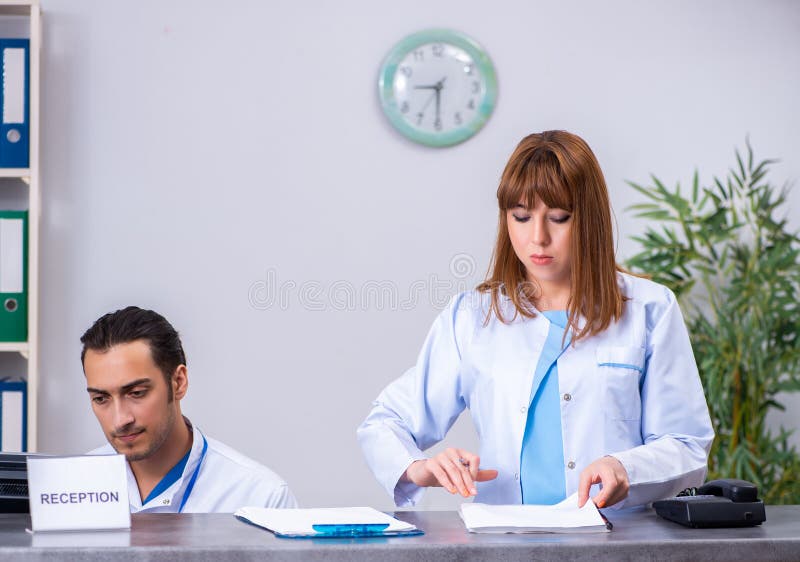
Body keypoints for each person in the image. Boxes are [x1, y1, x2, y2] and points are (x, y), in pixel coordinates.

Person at [357, 130, 715, 510]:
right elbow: (384, 422)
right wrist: (420, 468)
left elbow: (687, 446)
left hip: (616, 541)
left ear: (589, 220)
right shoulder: (472, 317)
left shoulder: (649, 308)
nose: (538, 237)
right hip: (502, 541)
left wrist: (624, 465)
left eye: (559, 218)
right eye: (521, 217)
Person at [82, 306, 297, 513]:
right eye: (101, 398)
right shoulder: (73, 485)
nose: (120, 420)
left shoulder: (260, 497)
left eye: (136, 393)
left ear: (178, 382)